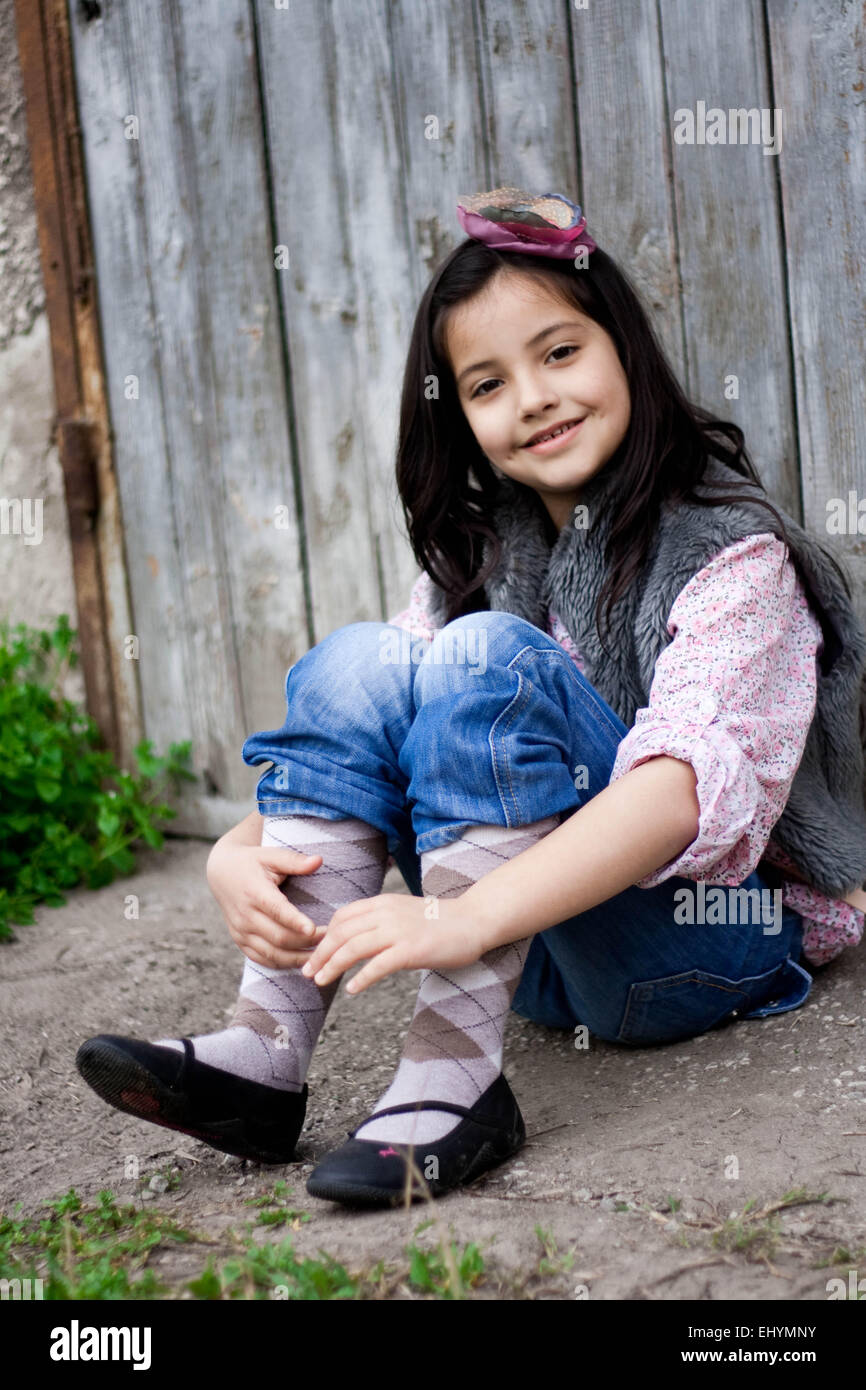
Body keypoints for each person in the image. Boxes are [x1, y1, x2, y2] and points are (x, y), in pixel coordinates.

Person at [75, 186, 866, 1209]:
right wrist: (240, 854)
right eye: (486, 383)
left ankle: (454, 1083)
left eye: (559, 353)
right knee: (363, 658)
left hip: (697, 945)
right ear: (457, 412)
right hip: (537, 968)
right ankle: (264, 1052)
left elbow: (678, 790)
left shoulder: (728, 556)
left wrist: (468, 915)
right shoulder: (484, 553)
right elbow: (369, 726)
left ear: (622, 348)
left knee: (484, 656)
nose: (531, 397)